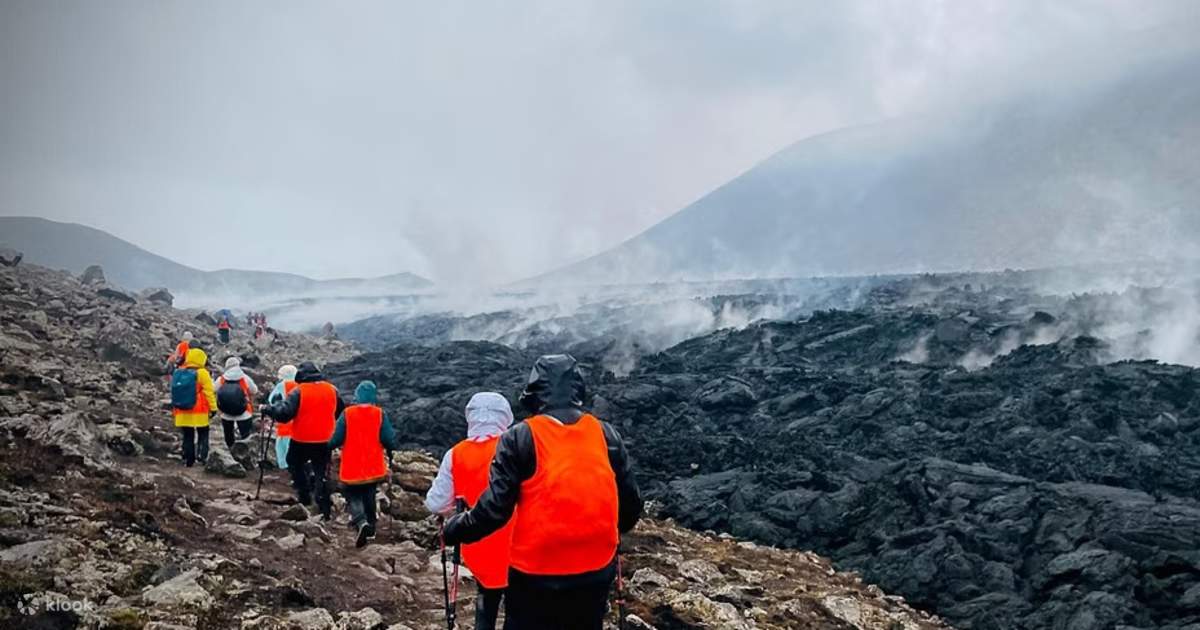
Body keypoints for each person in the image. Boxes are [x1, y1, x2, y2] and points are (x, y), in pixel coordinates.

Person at [443, 355, 643, 630]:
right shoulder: (606, 435)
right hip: (596, 570)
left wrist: (455, 528)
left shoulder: (520, 437)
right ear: (578, 389)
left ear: (534, 392)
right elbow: (631, 507)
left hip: (535, 574)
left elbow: (494, 511)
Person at [426, 392, 516, 630]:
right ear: (505, 416)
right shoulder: (517, 448)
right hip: (519, 545)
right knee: (519, 608)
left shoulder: (456, 454)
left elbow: (436, 504)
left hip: (479, 544)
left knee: (486, 598)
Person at [262, 361, 345, 518]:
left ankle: (304, 495)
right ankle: (323, 507)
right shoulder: (332, 390)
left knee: (294, 463)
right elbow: (340, 412)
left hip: (302, 438)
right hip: (325, 439)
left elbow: (284, 414)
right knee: (322, 471)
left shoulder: (298, 391)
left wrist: (268, 410)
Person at [329, 380, 399, 547]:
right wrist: (390, 451)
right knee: (369, 494)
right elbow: (389, 438)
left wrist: (328, 447)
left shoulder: (347, 413)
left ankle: (361, 522)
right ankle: (372, 527)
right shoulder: (380, 414)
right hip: (373, 465)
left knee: (353, 495)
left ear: (357, 395)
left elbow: (336, 438)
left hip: (352, 465)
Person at [171, 348, 217, 467]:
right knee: (203, 433)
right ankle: (202, 456)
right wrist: (213, 408)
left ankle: (188, 459)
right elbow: (209, 392)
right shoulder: (202, 373)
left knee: (187, 435)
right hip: (199, 410)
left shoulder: (179, 372)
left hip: (182, 410)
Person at [215, 356, 259, 449]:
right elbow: (254, 390)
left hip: (225, 412)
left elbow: (213, 389)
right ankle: (244, 454)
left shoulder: (222, 379)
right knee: (246, 436)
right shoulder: (245, 378)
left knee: (229, 436)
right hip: (244, 412)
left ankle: (231, 451)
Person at [268, 364, 298, 470]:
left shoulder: (281, 386)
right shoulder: (300, 385)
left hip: (284, 422)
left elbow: (272, 401)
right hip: (298, 423)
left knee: (282, 446)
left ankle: (284, 466)